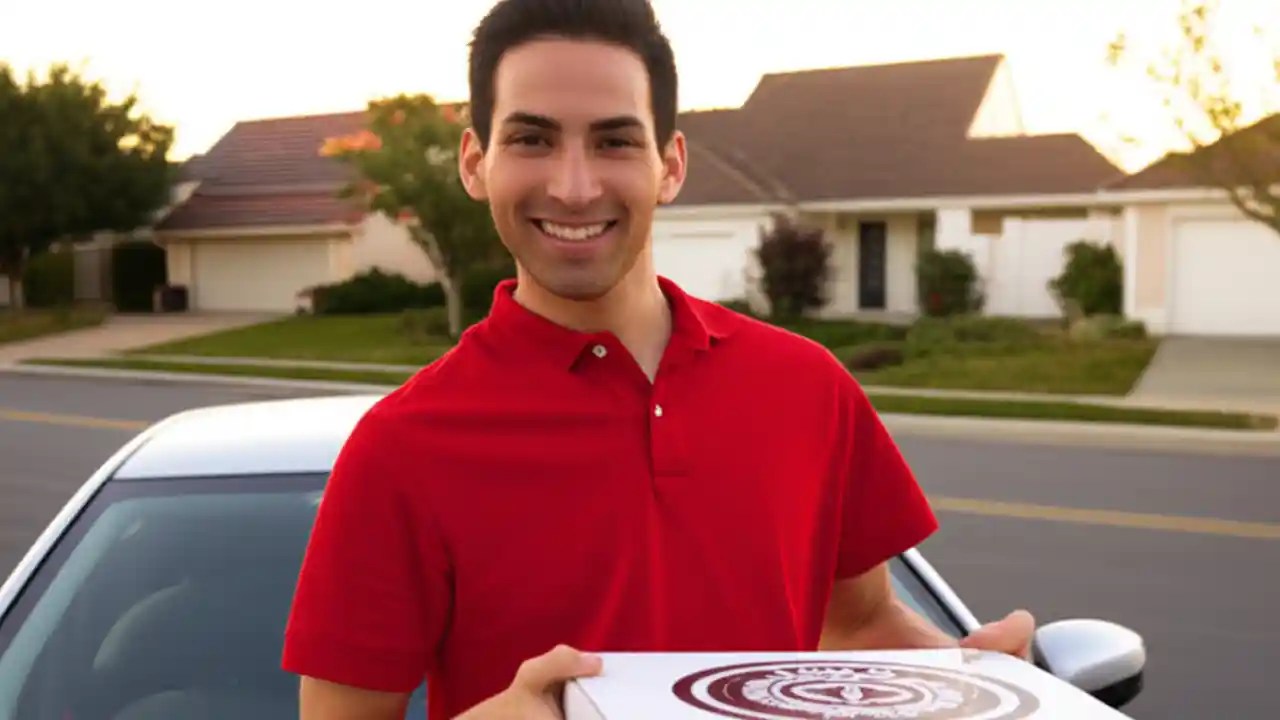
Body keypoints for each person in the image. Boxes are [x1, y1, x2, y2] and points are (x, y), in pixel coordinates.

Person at [281, 0, 1036, 717]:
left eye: (614, 140)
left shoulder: (808, 389)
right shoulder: (401, 449)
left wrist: (984, 691)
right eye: (531, 139)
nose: (574, 187)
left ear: (670, 165)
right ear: (475, 163)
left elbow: (863, 626)